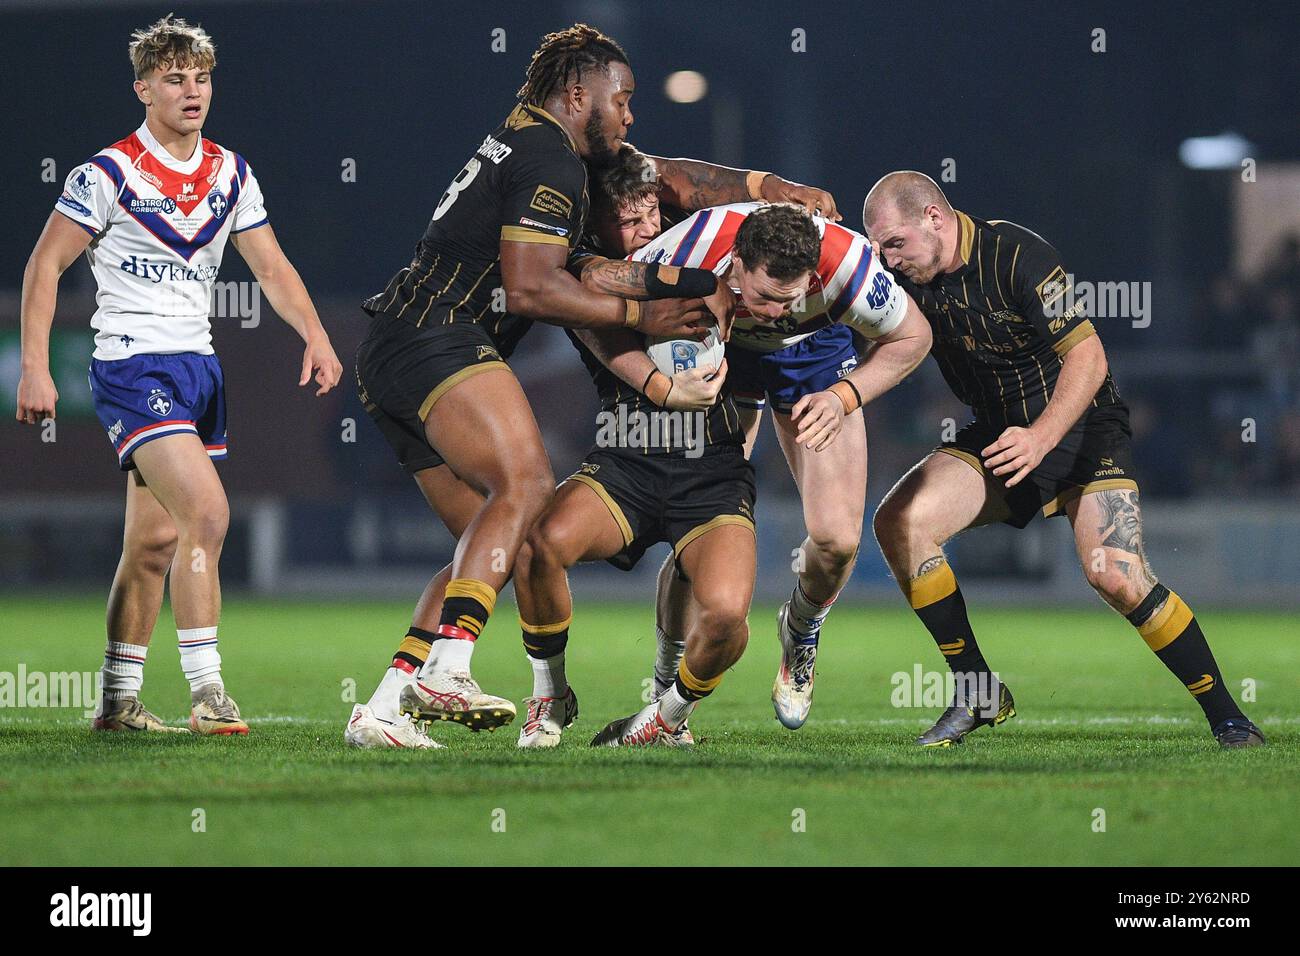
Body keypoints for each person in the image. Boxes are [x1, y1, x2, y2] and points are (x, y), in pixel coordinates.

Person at [344, 24, 838, 749]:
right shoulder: (554, 158)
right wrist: (644, 312)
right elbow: (531, 287)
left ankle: (382, 707)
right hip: (438, 336)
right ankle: (447, 668)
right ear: (580, 94)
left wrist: (771, 192)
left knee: (490, 544)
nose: (630, 114)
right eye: (623, 98)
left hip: (394, 347)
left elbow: (680, 178)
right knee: (525, 484)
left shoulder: (526, 139)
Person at [15, 15, 342, 735]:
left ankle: (118, 703)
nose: (192, 91)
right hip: (132, 365)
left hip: (199, 368)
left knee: (155, 543)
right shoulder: (107, 173)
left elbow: (270, 267)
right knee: (210, 513)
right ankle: (208, 691)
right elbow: (45, 265)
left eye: (201, 77)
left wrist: (314, 333)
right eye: (174, 78)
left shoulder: (232, 172)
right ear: (143, 88)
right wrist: (35, 368)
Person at [512, 187, 929, 747]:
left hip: (814, 358)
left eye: (790, 297)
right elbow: (587, 311)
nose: (775, 311)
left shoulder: (849, 267)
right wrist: (655, 381)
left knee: (835, 542)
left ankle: (800, 631)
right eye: (763, 295)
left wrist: (845, 397)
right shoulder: (691, 246)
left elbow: (914, 336)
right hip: (723, 358)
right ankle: (662, 699)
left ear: (812, 275)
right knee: (694, 521)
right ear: (735, 263)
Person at [861, 170, 1264, 748]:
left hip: (1078, 424)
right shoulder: (904, 280)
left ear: (934, 218)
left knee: (1115, 576)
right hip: (1001, 433)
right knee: (900, 522)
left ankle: (1229, 717)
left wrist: (1041, 437)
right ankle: (977, 691)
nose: (886, 259)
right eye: (876, 247)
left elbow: (1089, 359)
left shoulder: (1017, 254)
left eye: (893, 243)